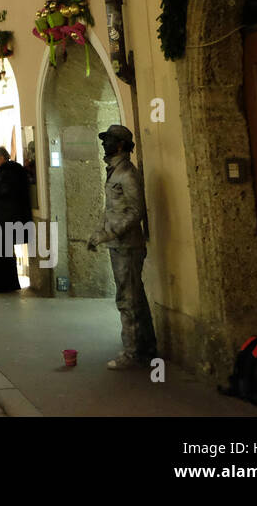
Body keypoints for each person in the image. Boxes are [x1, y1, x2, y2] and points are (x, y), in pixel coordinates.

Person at [87, 125, 157, 370]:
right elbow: (111, 210)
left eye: (109, 141)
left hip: (127, 246)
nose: (104, 144)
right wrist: (98, 233)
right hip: (118, 244)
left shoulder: (127, 174)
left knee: (127, 300)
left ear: (120, 145)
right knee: (134, 297)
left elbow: (136, 211)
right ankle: (147, 347)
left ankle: (132, 352)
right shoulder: (114, 172)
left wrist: (110, 233)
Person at [0, 146, 33, 294]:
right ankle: (8, 283)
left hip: (4, 220)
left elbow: (0, 191)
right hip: (3, 219)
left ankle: (0, 285)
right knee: (3, 253)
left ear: (1, 158)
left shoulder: (9, 172)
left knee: (1, 254)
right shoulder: (9, 171)